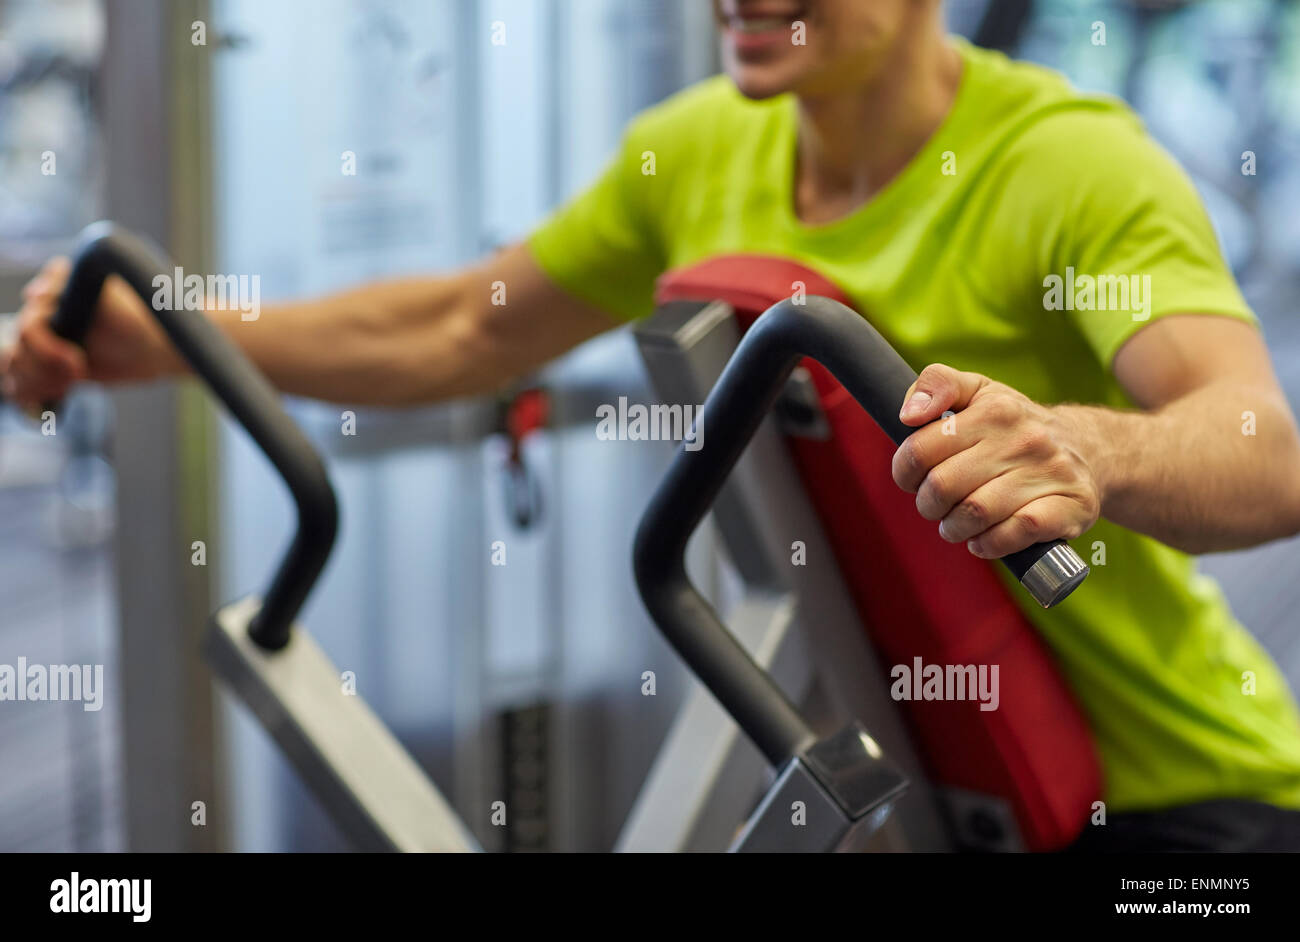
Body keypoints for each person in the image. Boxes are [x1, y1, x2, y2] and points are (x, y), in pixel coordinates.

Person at [6, 0, 1300, 851]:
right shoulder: (692, 155)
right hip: (924, 779)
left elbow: (1262, 447)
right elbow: (461, 326)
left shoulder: (1069, 164)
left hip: (1193, 803)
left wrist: (1089, 448)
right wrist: (168, 333)